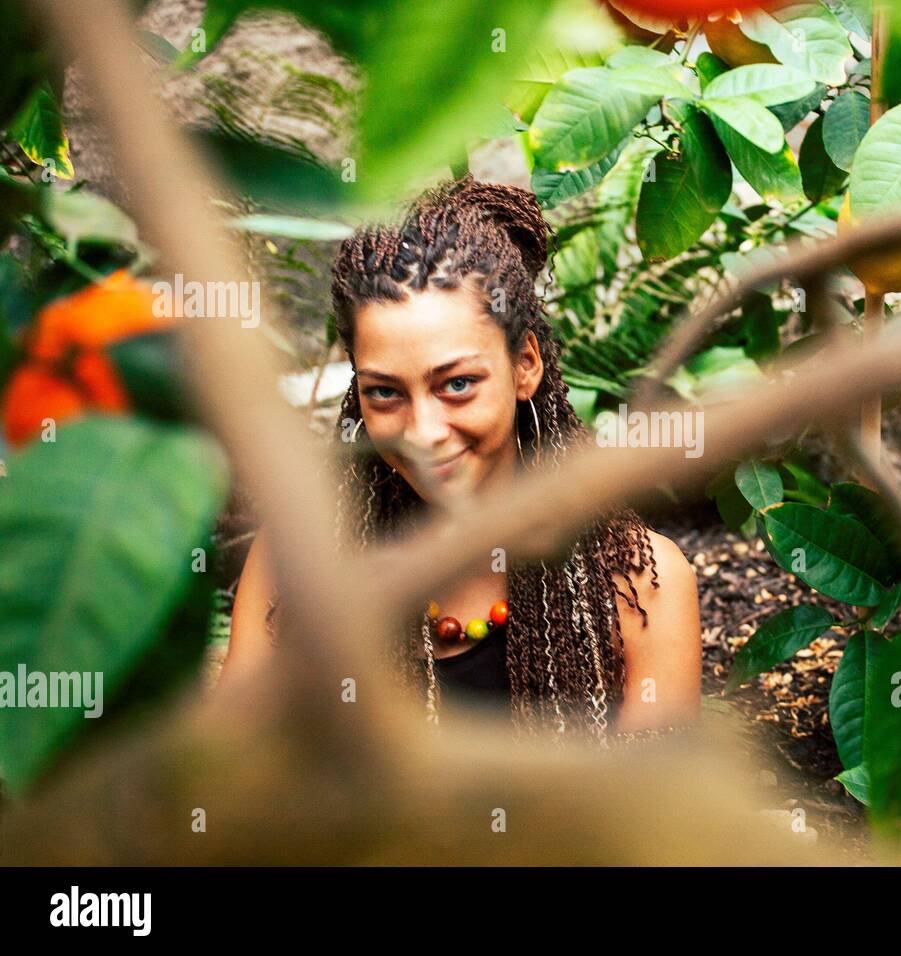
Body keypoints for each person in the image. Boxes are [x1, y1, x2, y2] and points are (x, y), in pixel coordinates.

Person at [226, 178, 702, 745]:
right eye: (384, 392)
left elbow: (650, 822)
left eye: (456, 384)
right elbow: (226, 776)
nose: (422, 433)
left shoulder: (640, 585)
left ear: (525, 364)